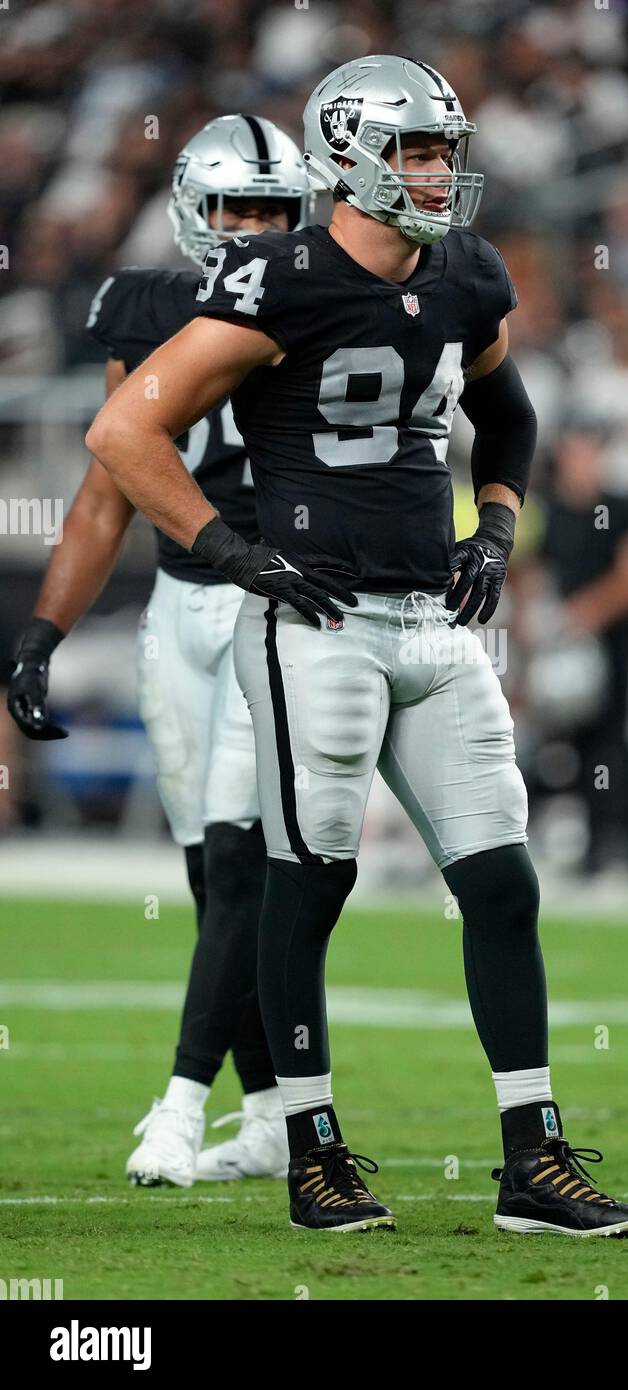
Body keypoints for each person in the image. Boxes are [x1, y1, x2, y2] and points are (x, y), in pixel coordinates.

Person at [86, 55, 628, 1238]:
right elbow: (125, 430)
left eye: (445, 147)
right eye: (416, 150)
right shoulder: (276, 277)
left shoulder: (465, 272)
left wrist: (493, 528)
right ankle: (311, 1150)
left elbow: (508, 413)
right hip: (316, 629)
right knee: (313, 882)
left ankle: (533, 1159)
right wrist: (231, 551)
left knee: (501, 880)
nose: (439, 169)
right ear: (349, 155)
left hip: (435, 624)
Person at [8, 115, 316, 1188]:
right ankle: (277, 1118)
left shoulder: (325, 297)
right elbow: (105, 493)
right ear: (196, 209)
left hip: (272, 603)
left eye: (272, 211)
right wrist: (45, 630)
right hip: (178, 610)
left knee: (238, 867)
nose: (250, 228)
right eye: (234, 208)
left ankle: (180, 1108)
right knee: (210, 880)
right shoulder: (142, 306)